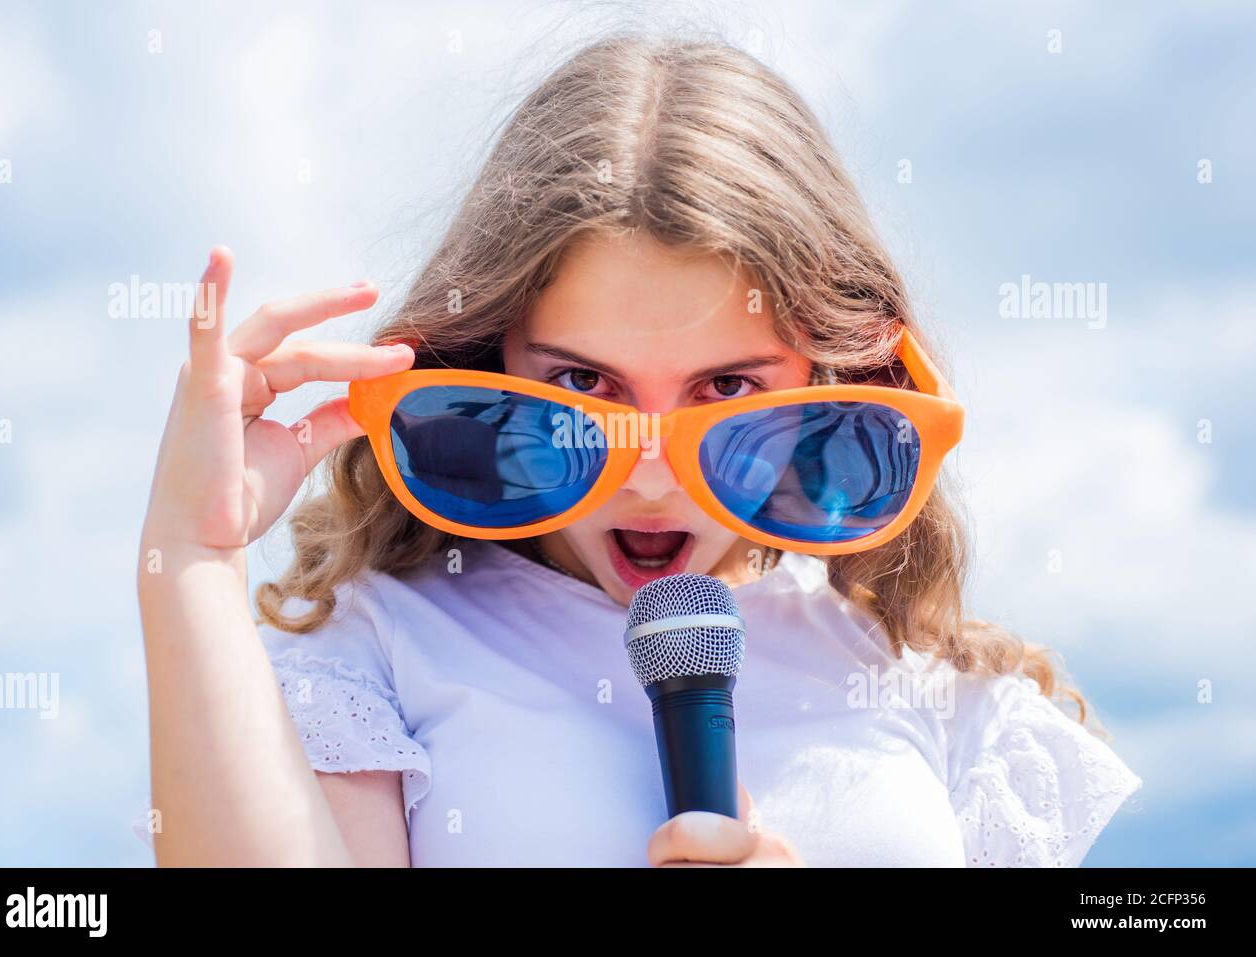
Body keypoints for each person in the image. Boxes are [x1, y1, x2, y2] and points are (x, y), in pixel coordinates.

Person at [136, 33, 1140, 867]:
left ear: (832, 383)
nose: (652, 480)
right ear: (494, 364)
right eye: (582, 386)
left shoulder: (926, 683)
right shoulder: (381, 657)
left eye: (728, 389)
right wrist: (189, 556)